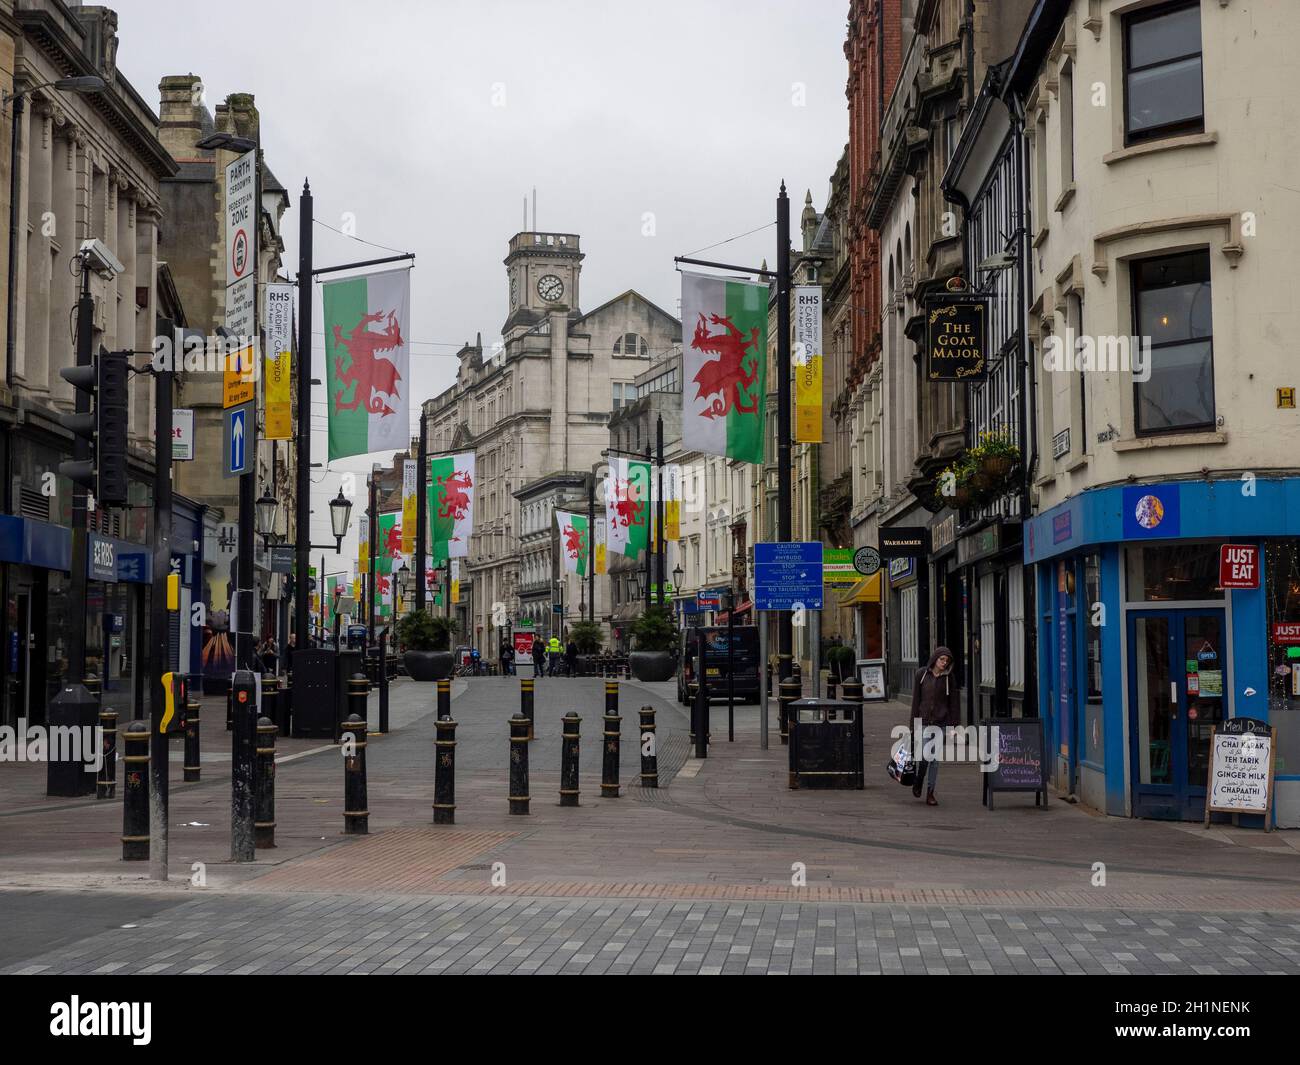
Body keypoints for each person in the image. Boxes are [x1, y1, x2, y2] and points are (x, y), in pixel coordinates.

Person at [911, 645, 960, 806]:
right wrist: (913, 725)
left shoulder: (949, 678)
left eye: (947, 661)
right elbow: (916, 701)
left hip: (941, 723)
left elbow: (954, 703)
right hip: (924, 722)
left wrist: (953, 726)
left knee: (935, 760)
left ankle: (930, 793)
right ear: (935, 658)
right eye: (942, 659)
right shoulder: (921, 674)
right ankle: (919, 781)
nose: (944, 663)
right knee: (925, 756)